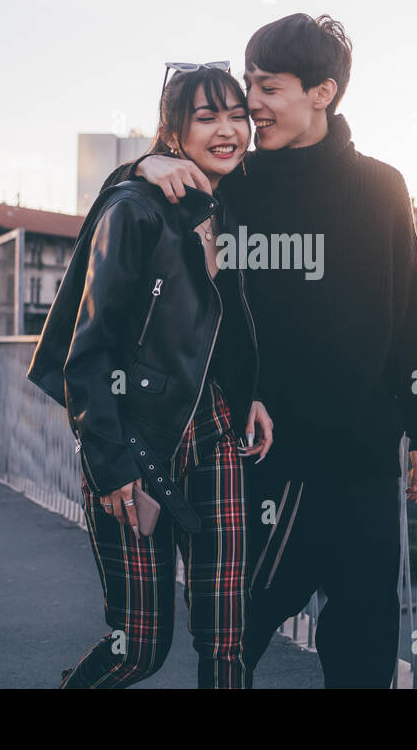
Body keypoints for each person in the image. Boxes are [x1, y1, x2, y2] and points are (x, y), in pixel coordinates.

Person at [101, 15, 417, 688]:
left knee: (365, 641)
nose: (250, 103)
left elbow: (411, 311)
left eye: (267, 86)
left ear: (322, 92)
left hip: (367, 463)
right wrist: (148, 161)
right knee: (233, 633)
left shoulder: (382, 187)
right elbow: (128, 209)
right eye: (248, 83)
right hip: (268, 461)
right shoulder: (234, 183)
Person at [29, 62, 273, 688]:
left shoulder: (234, 201)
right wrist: (111, 465)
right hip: (138, 439)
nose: (227, 130)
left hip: (216, 434)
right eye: (207, 116)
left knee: (228, 641)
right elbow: (90, 350)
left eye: (236, 114)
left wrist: (251, 397)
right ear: (172, 133)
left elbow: (231, 322)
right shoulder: (135, 211)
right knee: (139, 646)